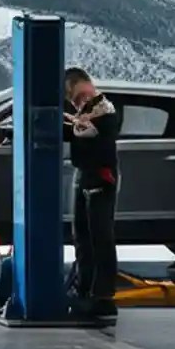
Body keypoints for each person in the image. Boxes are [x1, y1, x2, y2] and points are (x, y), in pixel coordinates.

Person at [62, 66, 121, 321]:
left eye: (81, 94)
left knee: (100, 237)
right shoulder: (82, 115)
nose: (80, 101)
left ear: (88, 84)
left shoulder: (105, 110)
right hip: (84, 175)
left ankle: (103, 297)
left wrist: (75, 122)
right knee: (82, 236)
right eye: (74, 100)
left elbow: (90, 130)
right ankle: (84, 289)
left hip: (101, 176)